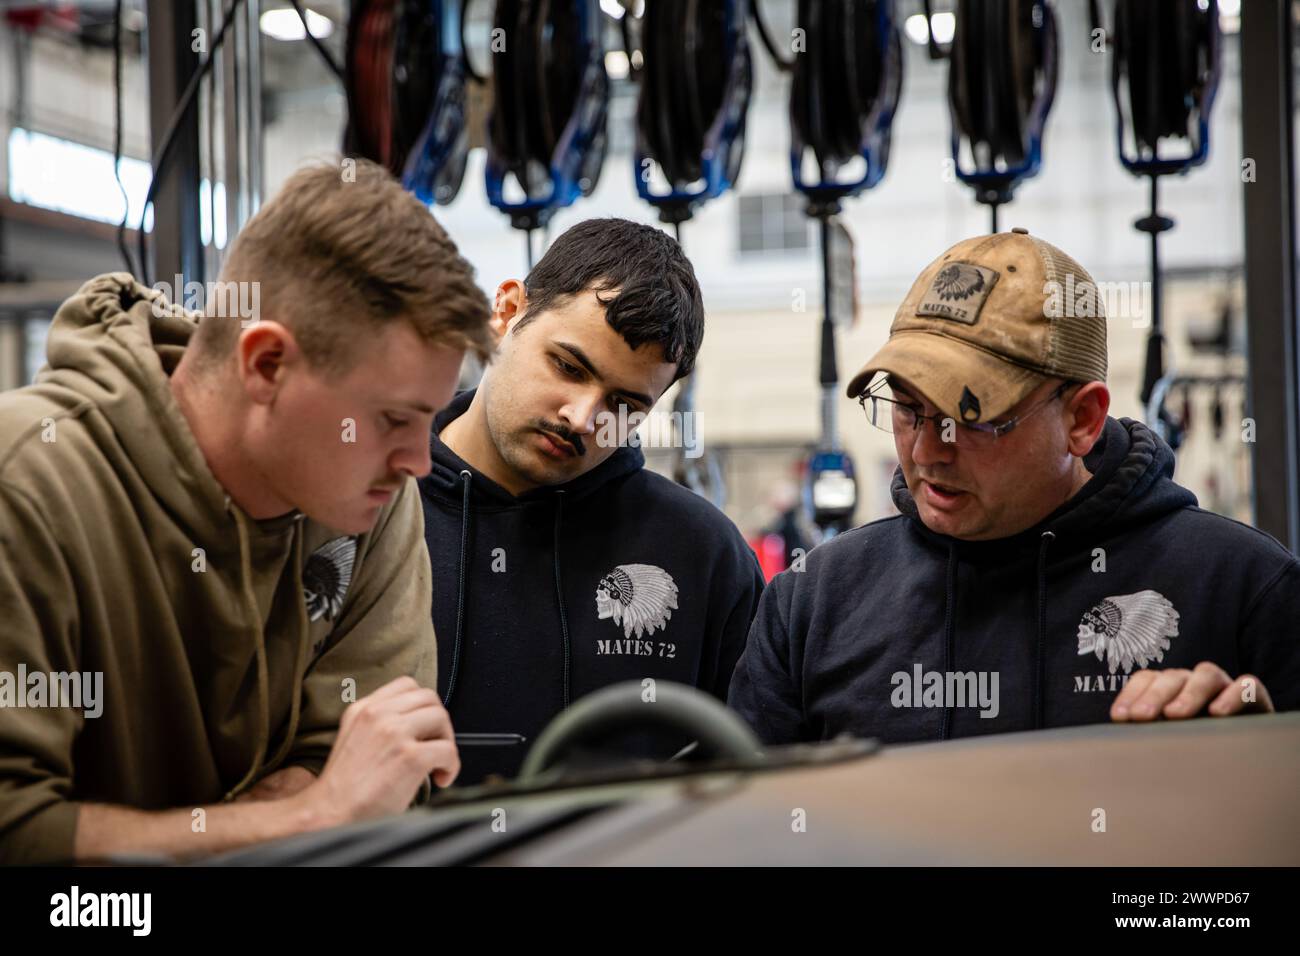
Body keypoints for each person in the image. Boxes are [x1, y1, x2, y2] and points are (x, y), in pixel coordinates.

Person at [0, 159, 492, 864]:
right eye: (390, 419)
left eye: (429, 420)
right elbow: (16, 832)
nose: (421, 460)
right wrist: (309, 817)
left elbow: (377, 771)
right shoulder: (27, 484)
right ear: (265, 365)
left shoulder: (373, 502)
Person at [729, 228, 1300, 745]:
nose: (927, 453)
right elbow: (747, 837)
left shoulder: (1243, 589)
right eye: (907, 409)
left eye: (973, 418)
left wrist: (1261, 763)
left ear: (1081, 419)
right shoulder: (814, 601)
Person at [419, 218, 765, 784]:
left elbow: (750, 788)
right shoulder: (369, 508)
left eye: (625, 405)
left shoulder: (702, 556)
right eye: (568, 367)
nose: (583, 420)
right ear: (507, 313)